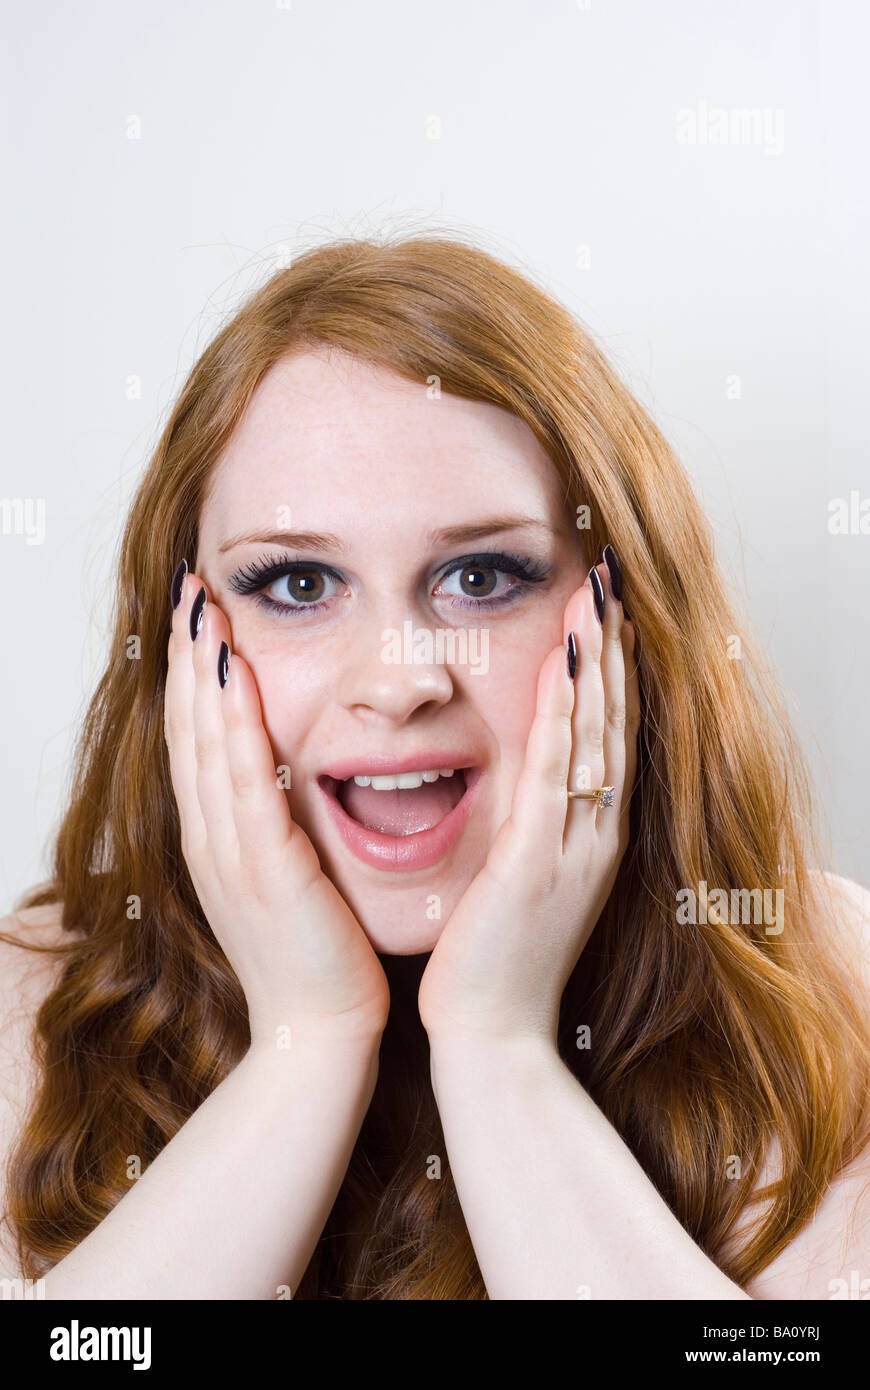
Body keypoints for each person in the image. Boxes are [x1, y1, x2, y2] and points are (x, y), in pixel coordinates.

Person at [1, 234, 868, 1300]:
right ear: (181, 637)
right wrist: (305, 1046)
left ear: (622, 611)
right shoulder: (27, 1007)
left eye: (481, 574)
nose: (402, 678)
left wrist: (499, 1046)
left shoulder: (833, 992)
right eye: (299, 584)